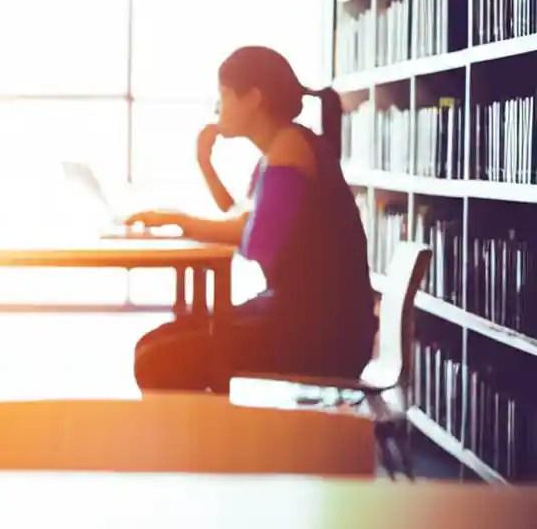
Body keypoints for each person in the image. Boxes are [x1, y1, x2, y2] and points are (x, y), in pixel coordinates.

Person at [127, 45, 374, 392]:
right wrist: (205, 166)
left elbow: (258, 240)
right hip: (307, 319)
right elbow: (242, 219)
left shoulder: (289, 149)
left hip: (318, 333)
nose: (218, 108)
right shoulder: (283, 149)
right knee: (155, 347)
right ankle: (208, 440)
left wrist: (184, 222)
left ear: (253, 98)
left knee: (158, 358)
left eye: (224, 96)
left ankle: (208, 444)